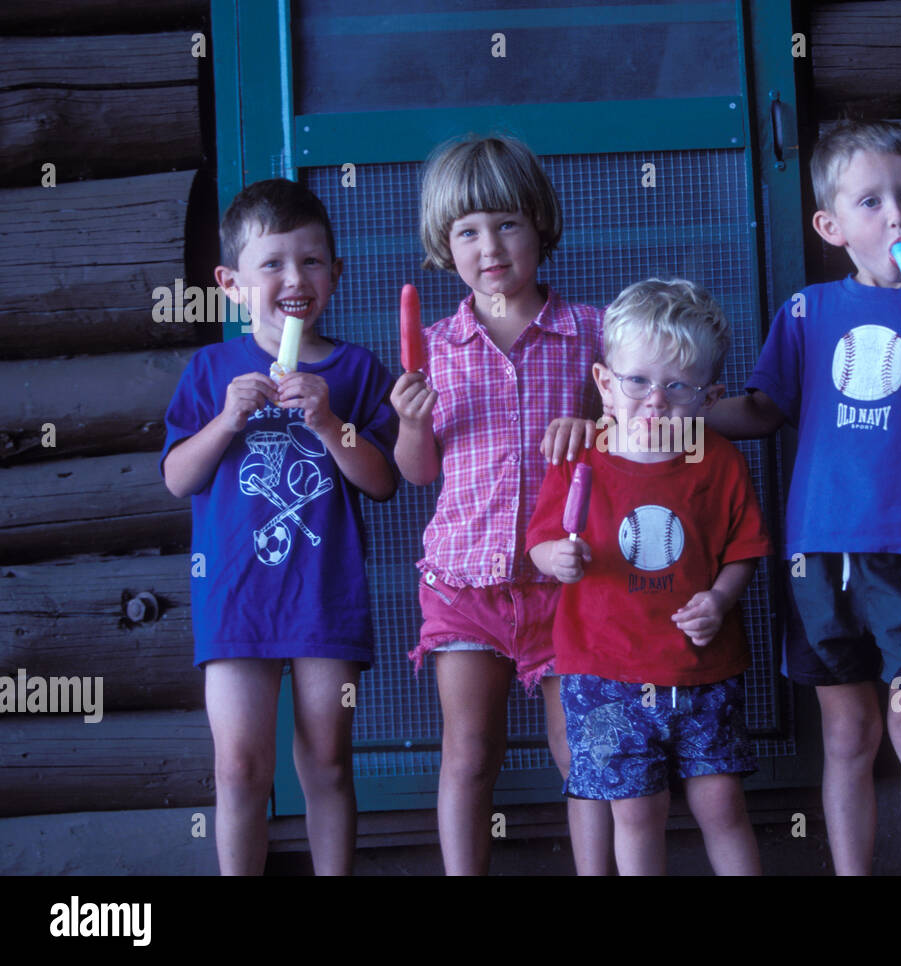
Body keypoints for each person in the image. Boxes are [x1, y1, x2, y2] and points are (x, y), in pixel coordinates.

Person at [706, 119, 901, 875]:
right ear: (831, 225)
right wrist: (686, 413)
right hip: (820, 554)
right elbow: (761, 409)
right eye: (871, 202)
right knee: (847, 735)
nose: (895, 218)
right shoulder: (808, 311)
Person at [162, 178, 398, 874]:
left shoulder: (355, 371)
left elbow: (382, 481)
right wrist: (227, 420)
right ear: (232, 283)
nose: (295, 278)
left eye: (313, 260)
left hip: (324, 596)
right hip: (234, 599)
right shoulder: (209, 371)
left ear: (336, 273)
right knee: (238, 769)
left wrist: (328, 421)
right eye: (273, 264)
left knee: (327, 759)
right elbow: (179, 478)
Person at [392, 135, 613, 875]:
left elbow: (630, 441)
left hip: (567, 584)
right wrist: (415, 423)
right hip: (463, 583)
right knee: (469, 753)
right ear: (443, 245)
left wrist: (598, 429)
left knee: (579, 749)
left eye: (507, 223)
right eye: (467, 231)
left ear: (540, 224)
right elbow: (416, 472)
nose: (490, 246)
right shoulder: (434, 346)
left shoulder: (590, 332)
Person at [527, 278, 772, 875]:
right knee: (638, 810)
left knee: (721, 802)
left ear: (709, 397)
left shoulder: (717, 461)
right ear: (605, 383)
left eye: (677, 386)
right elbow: (539, 542)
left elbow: (743, 549)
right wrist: (555, 558)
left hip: (701, 671)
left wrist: (719, 596)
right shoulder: (578, 458)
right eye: (637, 381)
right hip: (603, 670)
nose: (655, 401)